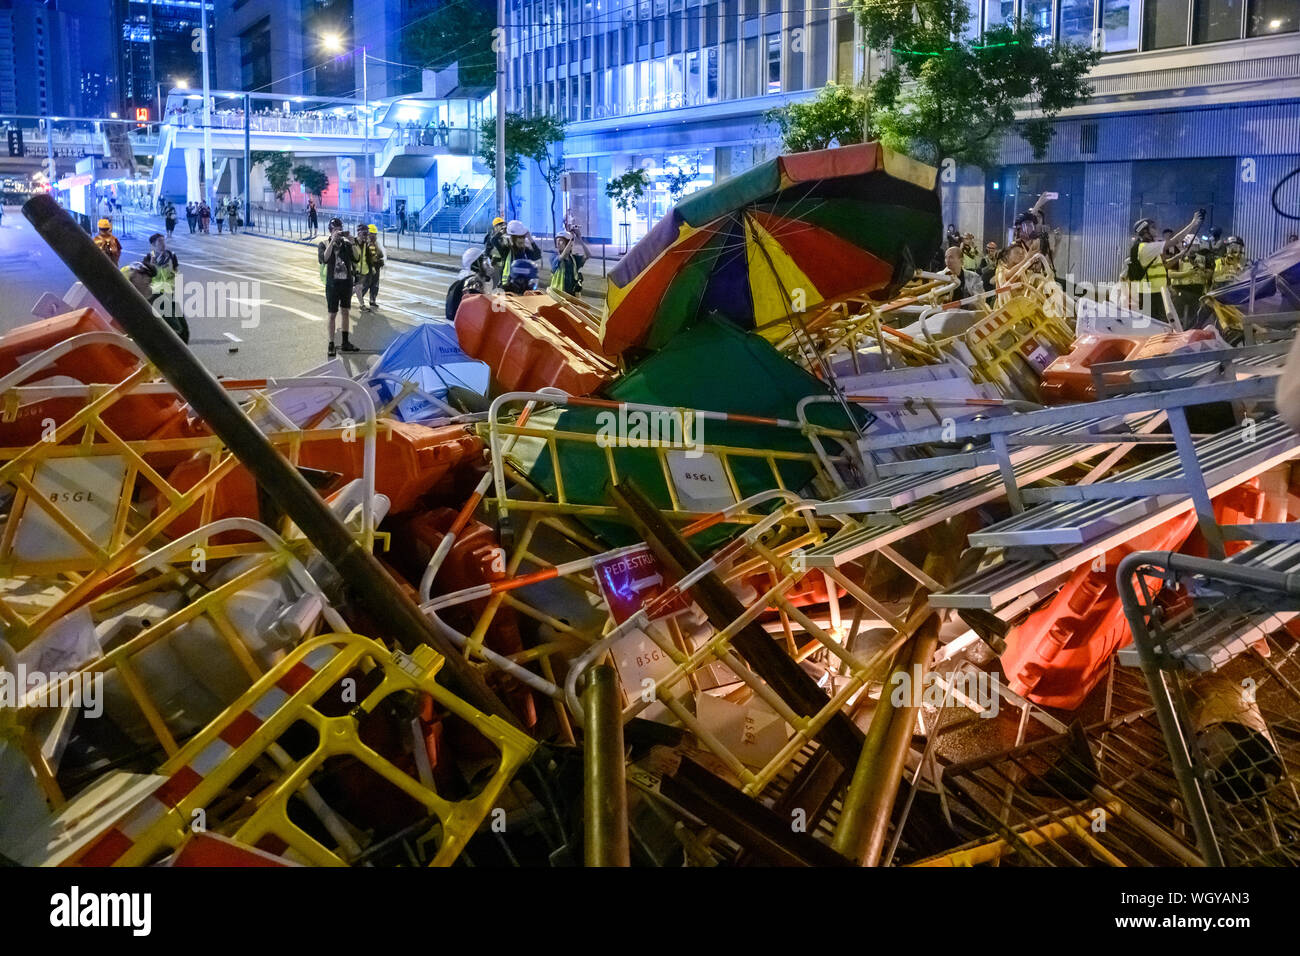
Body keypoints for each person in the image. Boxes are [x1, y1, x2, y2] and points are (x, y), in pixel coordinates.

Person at [1123, 210, 1203, 321]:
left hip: (1155, 292)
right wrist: (1193, 223)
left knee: (1158, 324)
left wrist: (1179, 256)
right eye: (1153, 227)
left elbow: (1165, 265)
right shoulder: (1147, 248)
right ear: (1145, 232)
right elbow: (1176, 240)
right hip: (1150, 295)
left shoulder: (1148, 248)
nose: (1156, 229)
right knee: (1154, 326)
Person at [318, 217, 361, 356]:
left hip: (346, 284)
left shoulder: (346, 244)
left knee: (346, 312)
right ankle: (331, 343)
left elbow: (356, 258)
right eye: (336, 230)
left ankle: (345, 342)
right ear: (330, 231)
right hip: (332, 285)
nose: (338, 232)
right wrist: (332, 242)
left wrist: (353, 242)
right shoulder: (324, 244)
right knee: (332, 314)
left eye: (340, 230)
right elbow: (324, 259)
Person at [141, 233, 188, 343]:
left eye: (163, 241)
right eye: (160, 242)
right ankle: (176, 348)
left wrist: (174, 280)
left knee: (183, 326)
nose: (163, 244)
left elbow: (176, 270)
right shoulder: (149, 257)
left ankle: (182, 345)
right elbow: (145, 277)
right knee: (174, 325)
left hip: (169, 292)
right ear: (153, 244)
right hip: (157, 294)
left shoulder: (171, 255)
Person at [446, 247, 494, 321]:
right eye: (484, 261)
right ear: (476, 264)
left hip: (458, 323)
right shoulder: (473, 282)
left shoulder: (465, 278)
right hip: (464, 326)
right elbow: (478, 310)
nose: (488, 264)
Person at [549, 227, 589, 295]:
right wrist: (571, 238)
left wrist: (580, 239)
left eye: (561, 241)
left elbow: (588, 255)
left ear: (568, 244)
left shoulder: (574, 259)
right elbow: (562, 256)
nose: (558, 243)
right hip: (558, 295)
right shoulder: (553, 257)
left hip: (572, 294)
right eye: (557, 241)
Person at [356, 224, 386, 311]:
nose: (374, 236)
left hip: (375, 269)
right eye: (372, 234)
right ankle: (359, 301)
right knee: (364, 286)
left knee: (375, 285)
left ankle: (372, 300)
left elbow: (380, 255)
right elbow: (367, 257)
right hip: (368, 269)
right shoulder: (365, 243)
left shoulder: (376, 244)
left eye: (375, 234)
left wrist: (380, 261)